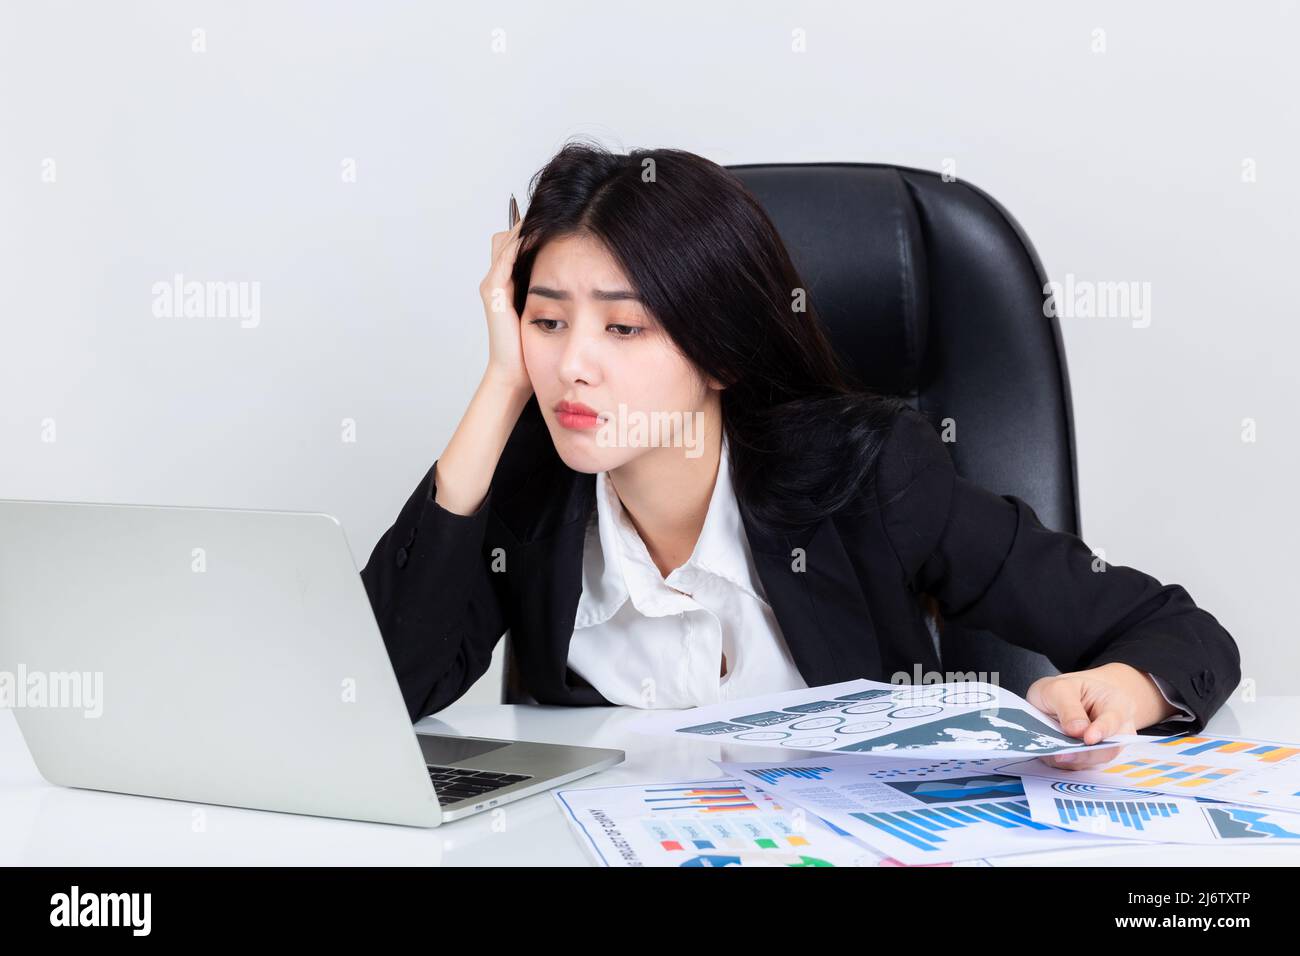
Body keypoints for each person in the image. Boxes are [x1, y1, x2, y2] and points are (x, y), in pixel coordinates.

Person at [360, 142, 1240, 772]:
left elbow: (1183, 633)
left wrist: (1129, 688)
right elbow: (377, 689)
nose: (573, 362)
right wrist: (500, 387)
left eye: (623, 327)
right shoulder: (534, 484)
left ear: (722, 352)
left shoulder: (874, 477)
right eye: (546, 321)